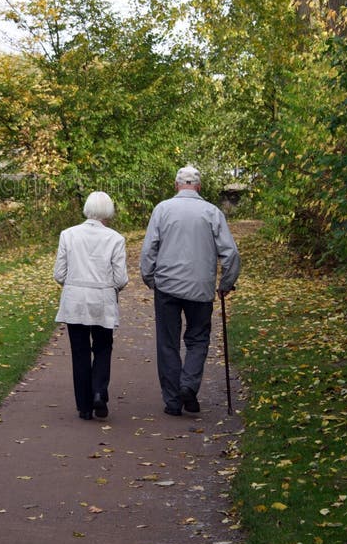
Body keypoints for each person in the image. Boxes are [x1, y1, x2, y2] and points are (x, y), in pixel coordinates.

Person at [140, 165, 240, 416]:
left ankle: (173, 401)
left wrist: (150, 277)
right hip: (200, 288)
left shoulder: (162, 209)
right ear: (199, 186)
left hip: (167, 286)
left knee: (168, 343)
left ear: (176, 185)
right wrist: (225, 283)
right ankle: (189, 385)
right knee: (198, 339)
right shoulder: (212, 212)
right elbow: (231, 253)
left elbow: (149, 248)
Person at [54, 191, 128, 420]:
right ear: (108, 211)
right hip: (102, 300)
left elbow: (59, 274)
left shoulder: (68, 235)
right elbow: (121, 279)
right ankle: (99, 391)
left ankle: (84, 406)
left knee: (80, 352)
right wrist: (108, 287)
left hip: (75, 300)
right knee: (103, 347)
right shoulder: (115, 239)